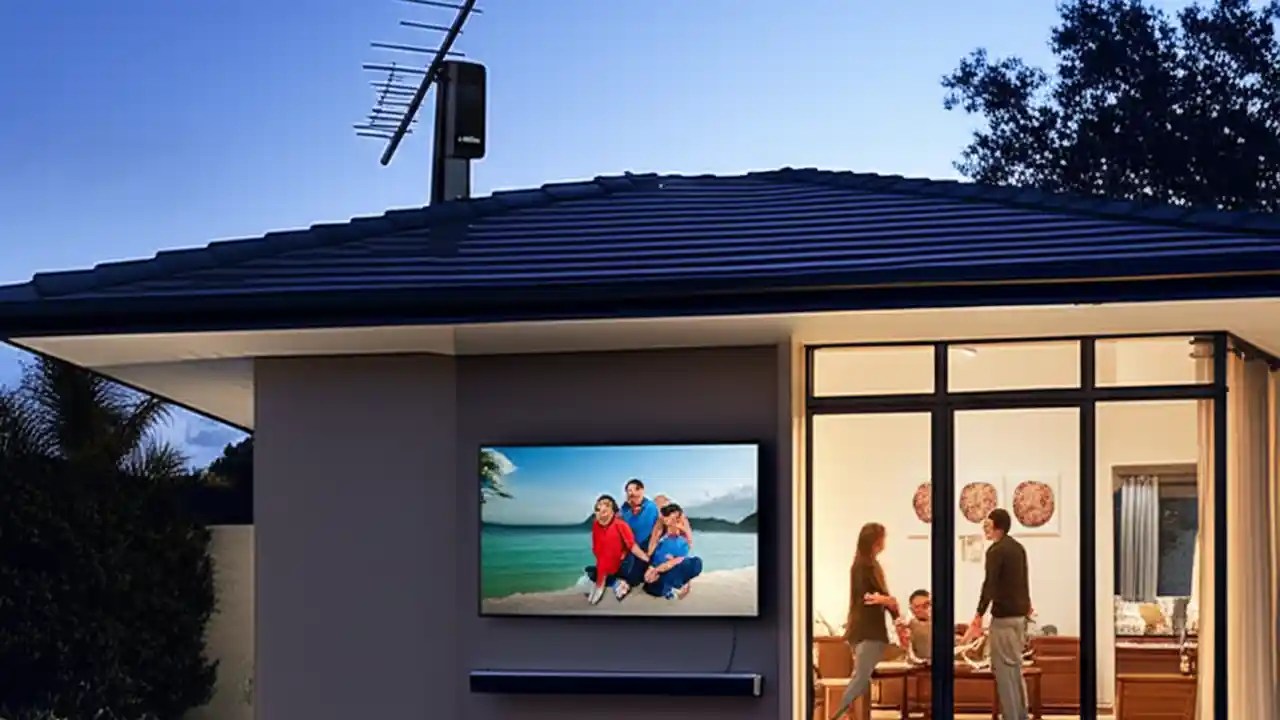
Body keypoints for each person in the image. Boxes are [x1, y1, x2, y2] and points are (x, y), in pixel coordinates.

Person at [831, 522, 907, 720]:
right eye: (883, 537)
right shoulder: (861, 566)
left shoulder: (873, 565)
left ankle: (852, 715)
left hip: (873, 630)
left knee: (863, 680)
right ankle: (838, 715)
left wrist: (895, 615)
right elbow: (867, 597)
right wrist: (886, 601)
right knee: (860, 678)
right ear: (875, 541)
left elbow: (884, 598)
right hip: (866, 630)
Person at [963, 508, 1032, 720]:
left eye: (988, 524)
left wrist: (978, 614)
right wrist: (1027, 604)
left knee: (1003, 671)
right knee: (1015, 668)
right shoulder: (1018, 548)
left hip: (1003, 618)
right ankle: (1021, 715)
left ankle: (1011, 716)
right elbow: (1024, 580)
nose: (985, 528)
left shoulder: (996, 551)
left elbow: (989, 585)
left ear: (997, 526)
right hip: (1020, 617)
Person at [583, 494, 650, 604]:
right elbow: (597, 548)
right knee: (591, 572)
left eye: (605, 509)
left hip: (623, 563)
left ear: (613, 511)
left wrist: (647, 559)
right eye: (598, 509)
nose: (601, 513)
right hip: (608, 562)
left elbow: (632, 546)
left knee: (632, 575)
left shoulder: (621, 525)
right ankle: (617, 582)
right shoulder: (596, 525)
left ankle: (622, 582)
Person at [642, 503, 703, 599]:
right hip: (664, 570)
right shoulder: (662, 541)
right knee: (652, 585)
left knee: (695, 563)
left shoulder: (682, 541)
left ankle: (674, 587)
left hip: (671, 567)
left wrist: (657, 569)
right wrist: (651, 571)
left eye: (676, 521)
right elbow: (656, 559)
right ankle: (670, 588)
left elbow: (678, 559)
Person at [902, 588, 932, 661]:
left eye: (925, 606)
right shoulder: (909, 626)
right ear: (911, 609)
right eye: (917, 607)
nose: (921, 610)